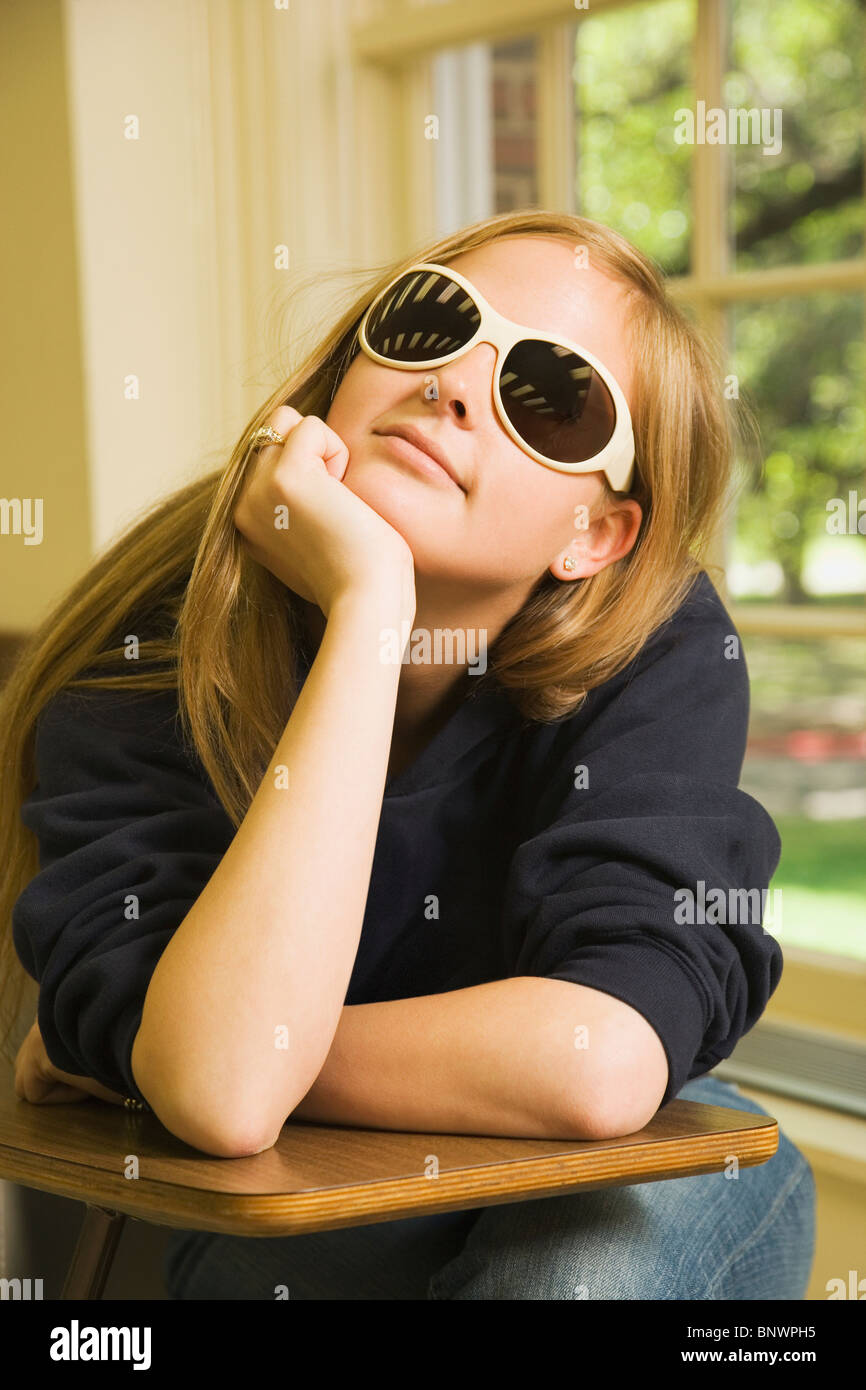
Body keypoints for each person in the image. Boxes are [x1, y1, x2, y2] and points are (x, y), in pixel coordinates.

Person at [1, 210, 815, 1300]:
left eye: (549, 395)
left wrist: (200, 1053)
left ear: (595, 536)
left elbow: (598, 1065)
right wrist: (368, 611)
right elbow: (233, 1103)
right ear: (351, 367)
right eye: (434, 323)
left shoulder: (657, 643)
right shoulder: (156, 641)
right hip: (299, 1190)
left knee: (580, 1270)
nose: (455, 387)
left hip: (612, 1174)